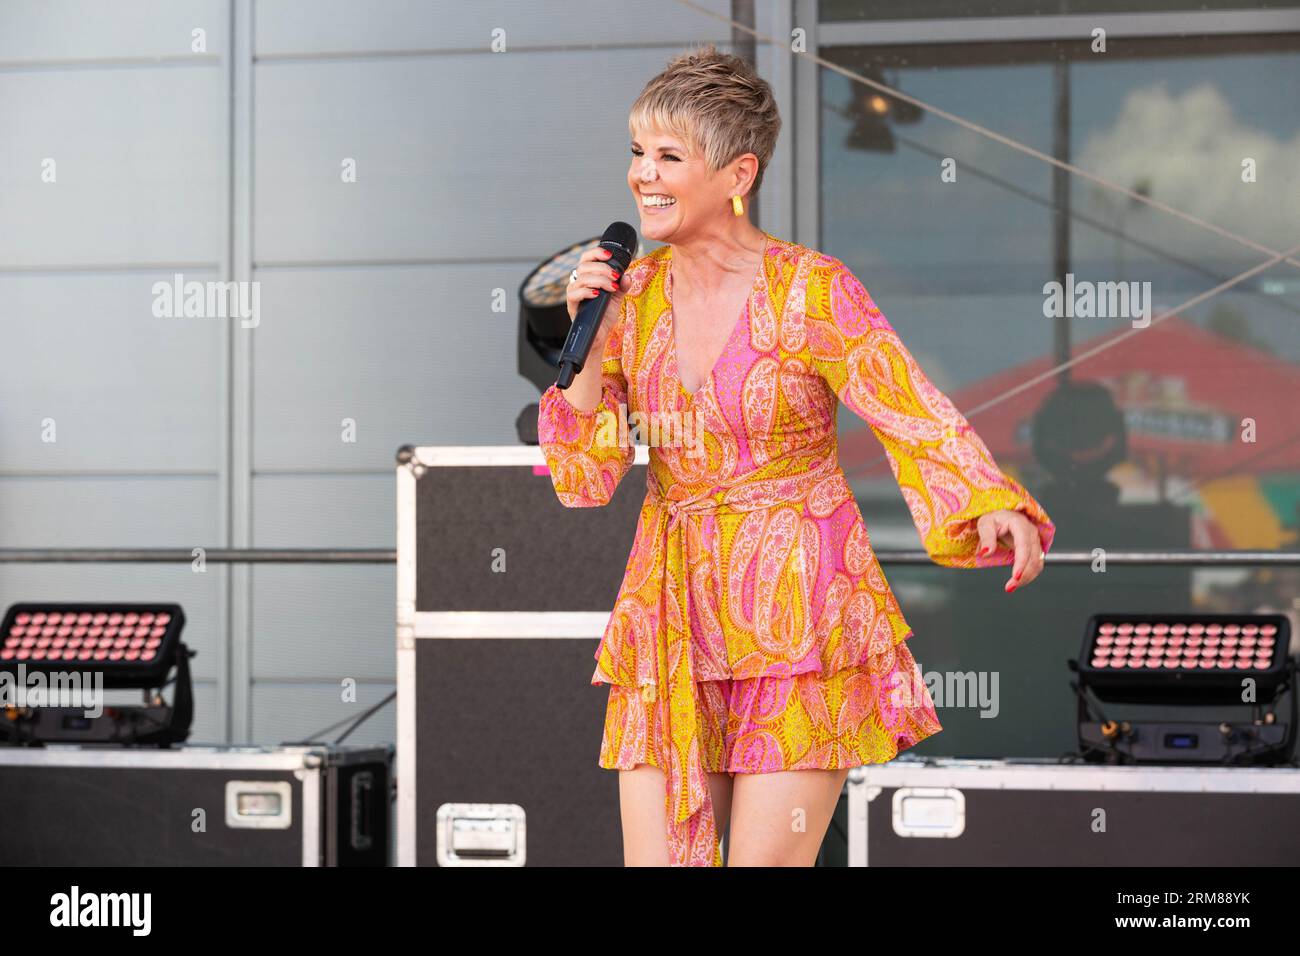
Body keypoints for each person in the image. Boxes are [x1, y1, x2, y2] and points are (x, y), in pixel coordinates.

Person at [537, 44, 1054, 867]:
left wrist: (987, 498)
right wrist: (588, 347)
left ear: (737, 173)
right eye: (638, 152)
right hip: (669, 607)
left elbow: (907, 405)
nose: (644, 175)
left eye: (670, 156)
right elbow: (585, 479)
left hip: (799, 615)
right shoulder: (626, 301)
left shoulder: (812, 290)